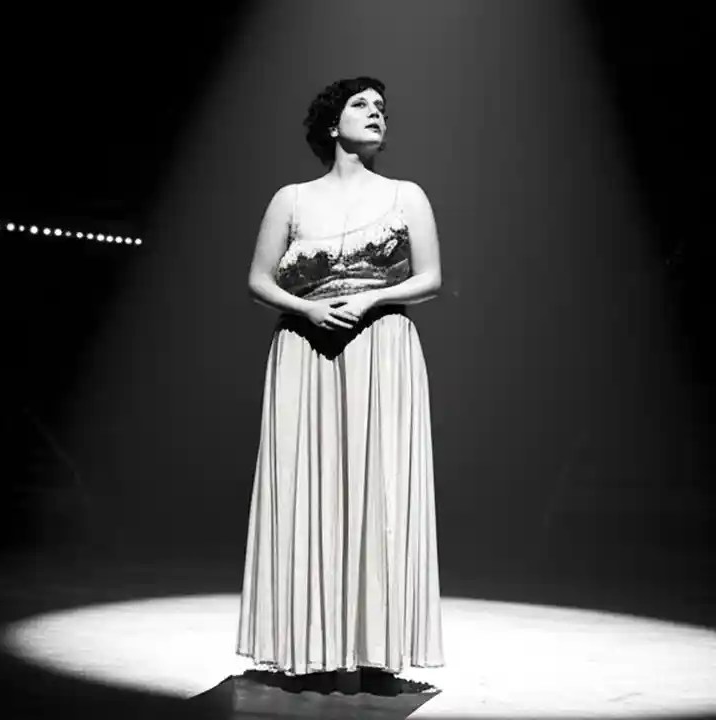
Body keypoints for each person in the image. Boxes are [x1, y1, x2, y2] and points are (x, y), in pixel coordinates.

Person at [236, 76, 446, 693]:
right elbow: (258, 280)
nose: (377, 114)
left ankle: (380, 649)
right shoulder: (292, 199)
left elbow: (430, 277)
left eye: (382, 108)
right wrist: (305, 310)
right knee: (307, 488)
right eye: (362, 105)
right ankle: (309, 645)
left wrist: (375, 296)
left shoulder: (407, 195)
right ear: (332, 125)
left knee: (381, 491)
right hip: (306, 350)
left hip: (382, 349)